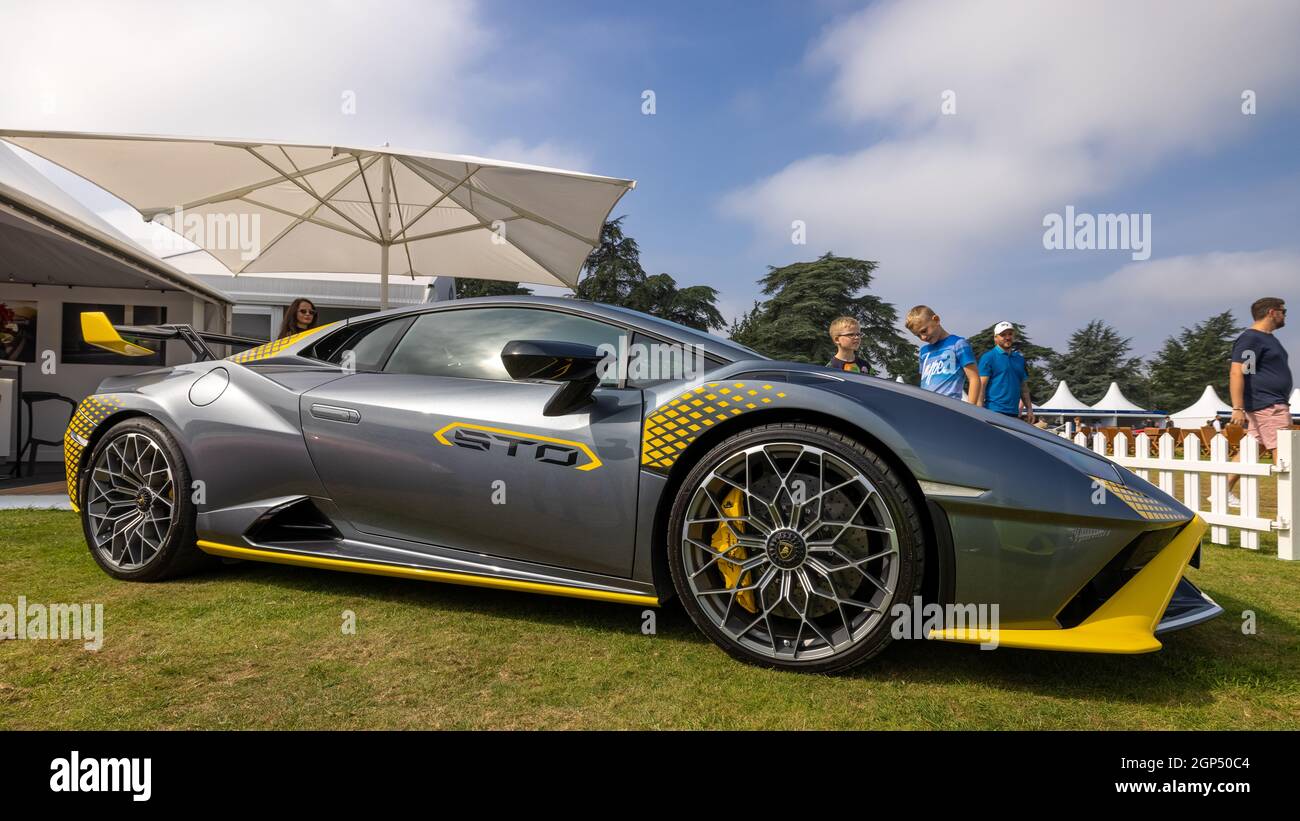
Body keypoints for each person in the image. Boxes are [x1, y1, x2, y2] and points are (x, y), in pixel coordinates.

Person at [1227, 296, 1291, 506]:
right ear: (1272, 312)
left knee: (1249, 451)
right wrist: (1238, 407)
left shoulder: (1267, 338)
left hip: (1268, 404)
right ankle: (1289, 501)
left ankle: (1222, 491)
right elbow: (1238, 372)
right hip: (1269, 406)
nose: (1285, 315)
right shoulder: (1252, 338)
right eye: (1284, 311)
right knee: (1284, 453)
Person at [904, 305, 980, 404]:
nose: (923, 337)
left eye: (924, 331)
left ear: (936, 320)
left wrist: (970, 409)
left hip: (951, 408)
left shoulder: (958, 344)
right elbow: (925, 382)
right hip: (927, 407)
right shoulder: (923, 352)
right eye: (918, 335)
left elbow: (974, 378)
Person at [978, 321, 1035, 423]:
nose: (1007, 337)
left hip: (1014, 414)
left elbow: (1023, 387)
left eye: (1010, 334)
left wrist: (1030, 409)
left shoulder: (1019, 359)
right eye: (1003, 335)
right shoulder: (988, 357)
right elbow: (981, 386)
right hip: (993, 412)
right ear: (995, 338)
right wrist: (978, 411)